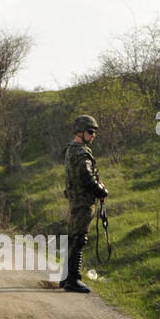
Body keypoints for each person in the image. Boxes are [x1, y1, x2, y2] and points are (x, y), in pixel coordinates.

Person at [61, 114, 108, 293]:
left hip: (75, 200)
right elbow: (87, 178)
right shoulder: (81, 152)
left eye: (95, 132)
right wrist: (102, 191)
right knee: (79, 239)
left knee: (73, 238)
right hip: (82, 202)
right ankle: (73, 279)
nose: (93, 135)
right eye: (90, 131)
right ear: (80, 132)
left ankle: (66, 278)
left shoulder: (71, 149)